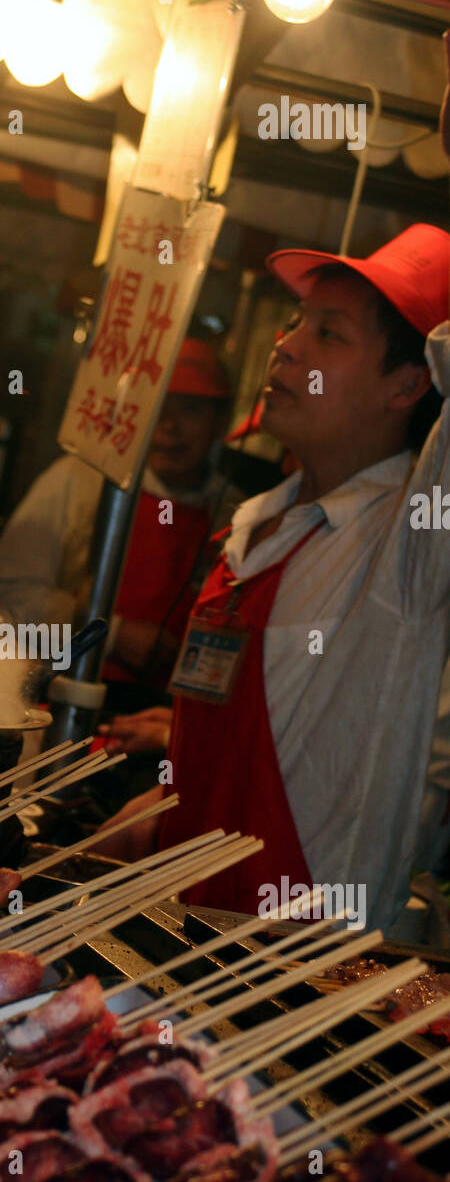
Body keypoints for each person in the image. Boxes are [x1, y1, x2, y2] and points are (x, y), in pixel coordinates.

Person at [100, 216, 450, 938]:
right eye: (295, 324)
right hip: (174, 934)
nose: (286, 346)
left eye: (328, 334)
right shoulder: (254, 531)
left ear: (410, 383)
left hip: (293, 976)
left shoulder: (409, 545)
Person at [0, 338, 243, 711]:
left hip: (163, 731)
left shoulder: (235, 517)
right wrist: (114, 635)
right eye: (159, 407)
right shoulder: (79, 480)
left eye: (191, 410)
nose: (170, 426)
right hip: (54, 709)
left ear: (220, 422)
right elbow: (0, 599)